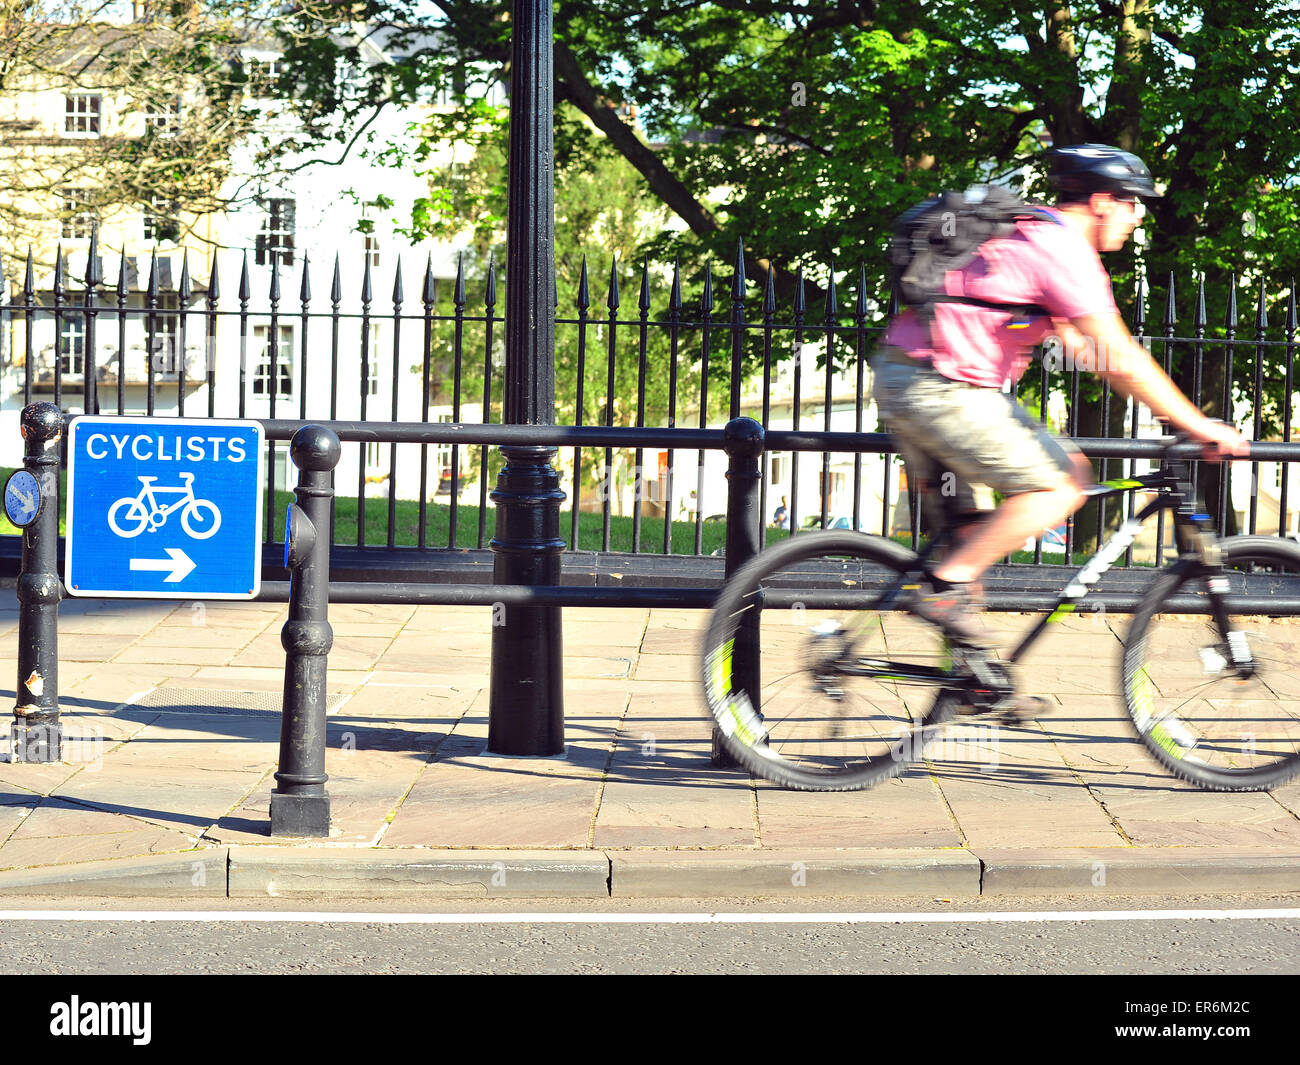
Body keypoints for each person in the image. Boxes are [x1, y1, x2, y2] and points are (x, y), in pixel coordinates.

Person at [872, 143, 1247, 645]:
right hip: (942, 388)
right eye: (1133, 203)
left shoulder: (1028, 233)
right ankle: (939, 591)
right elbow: (1120, 353)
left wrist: (1146, 395)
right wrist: (1196, 424)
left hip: (911, 378)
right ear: (1101, 201)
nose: (1138, 217)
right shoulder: (1061, 248)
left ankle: (972, 685)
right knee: (1062, 484)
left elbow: (1092, 353)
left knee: (971, 539)